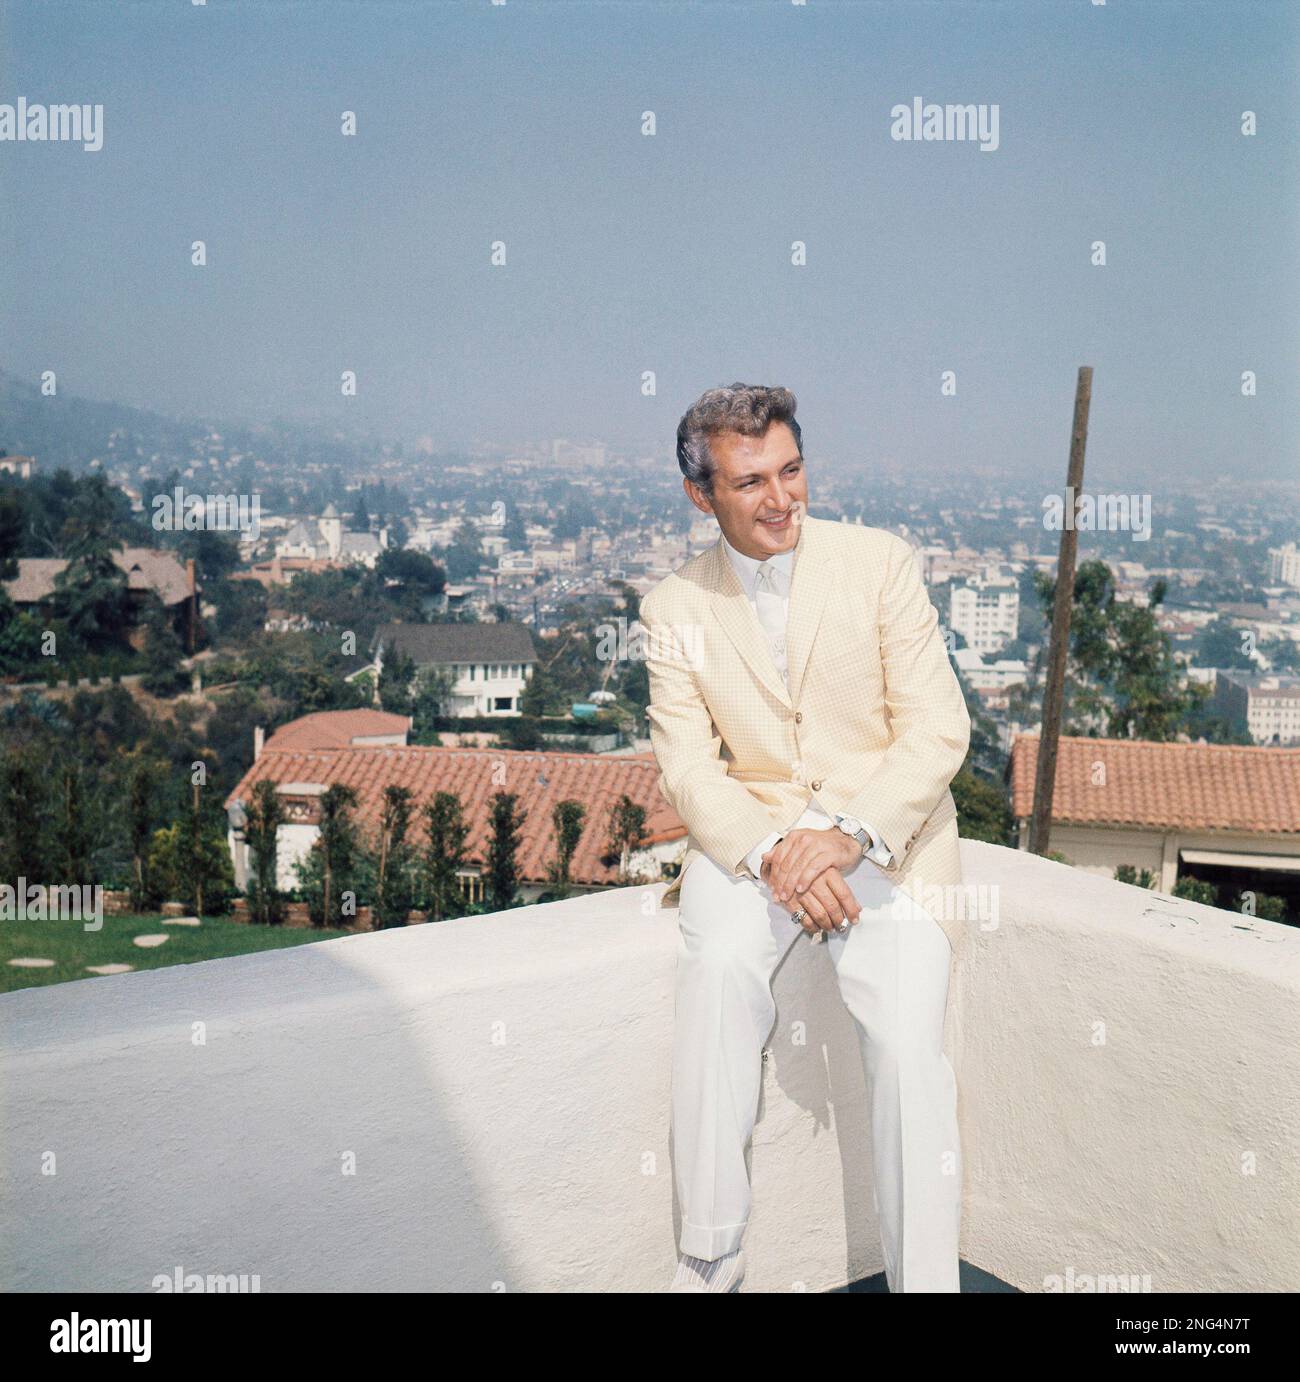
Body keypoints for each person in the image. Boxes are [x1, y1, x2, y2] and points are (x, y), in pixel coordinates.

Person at [639, 383, 971, 1293]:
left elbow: (938, 729)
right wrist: (777, 851)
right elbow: (690, 770)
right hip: (752, 848)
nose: (782, 498)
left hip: (889, 838)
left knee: (908, 1051)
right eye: (752, 482)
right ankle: (709, 1261)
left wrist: (847, 833)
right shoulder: (672, 609)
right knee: (713, 982)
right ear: (701, 496)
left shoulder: (880, 562)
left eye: (792, 470)